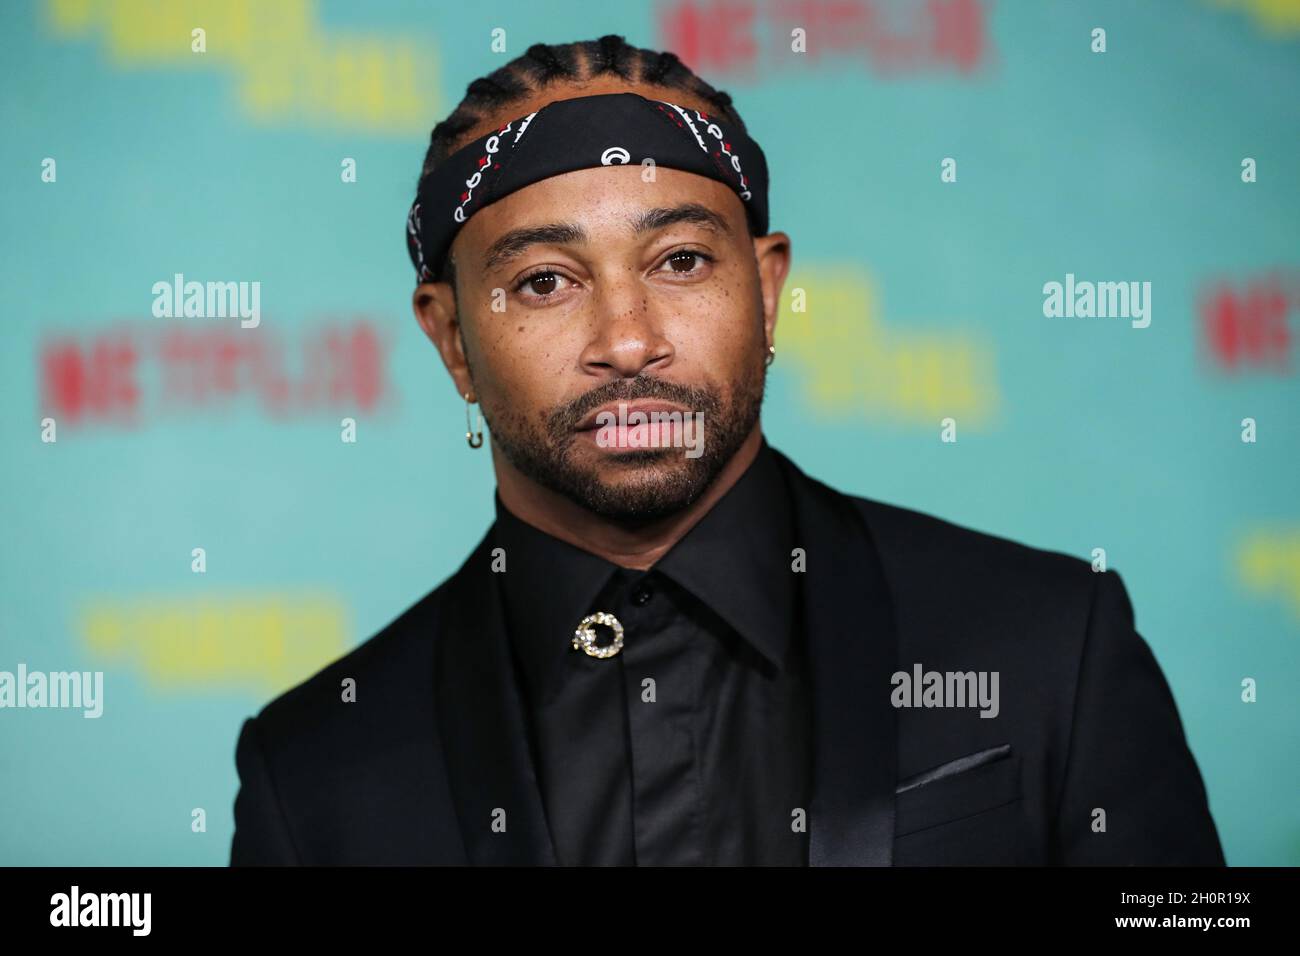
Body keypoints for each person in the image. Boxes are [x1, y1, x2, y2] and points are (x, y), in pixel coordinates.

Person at [230, 35, 1224, 866]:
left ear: (765, 287)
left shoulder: (1052, 643)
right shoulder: (315, 769)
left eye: (681, 260)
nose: (627, 340)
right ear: (452, 339)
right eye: (543, 281)